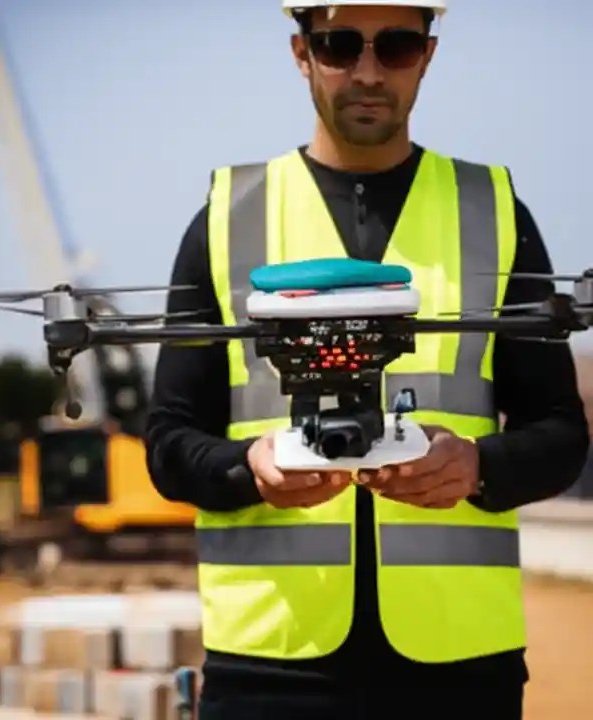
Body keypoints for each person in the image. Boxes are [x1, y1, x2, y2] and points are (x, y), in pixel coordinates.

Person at [144, 2, 589, 719]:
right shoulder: (227, 218)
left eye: (399, 46)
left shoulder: (496, 211)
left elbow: (563, 434)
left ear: (429, 55)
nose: (369, 71)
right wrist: (247, 468)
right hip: (270, 666)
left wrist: (480, 466)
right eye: (341, 44)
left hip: (460, 667)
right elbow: (168, 443)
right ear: (301, 52)